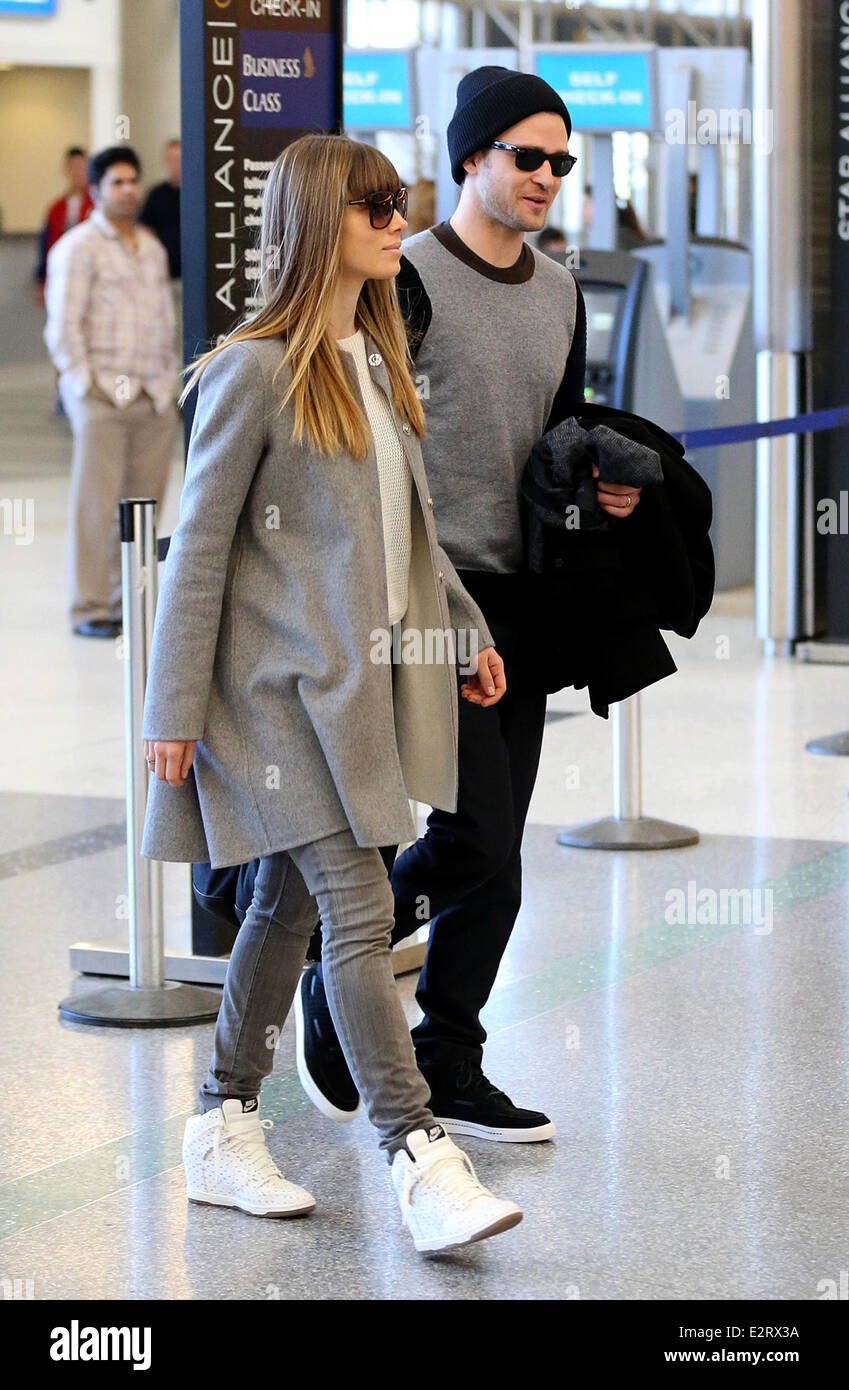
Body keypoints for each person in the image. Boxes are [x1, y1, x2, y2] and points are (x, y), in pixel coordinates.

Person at [140, 133, 523, 1256]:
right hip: (270, 699)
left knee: (286, 907)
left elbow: (408, 530)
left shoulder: (378, 354)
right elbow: (197, 549)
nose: (395, 218)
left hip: (349, 691)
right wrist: (169, 710)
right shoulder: (252, 369)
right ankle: (418, 1155)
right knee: (360, 909)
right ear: (319, 220)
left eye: (396, 200)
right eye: (372, 205)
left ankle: (220, 1120)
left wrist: (465, 625)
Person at [297, 66, 643, 1143]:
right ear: (471, 160)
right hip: (427, 592)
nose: (548, 177)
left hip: (523, 590)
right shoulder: (406, 279)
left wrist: (601, 476)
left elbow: (558, 427)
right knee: (477, 833)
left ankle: (448, 1051)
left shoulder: (561, 288)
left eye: (561, 161)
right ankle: (340, 963)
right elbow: (362, 442)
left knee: (502, 849)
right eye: (527, 156)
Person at [44, 145, 178, 638]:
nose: (128, 189)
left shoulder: (151, 245)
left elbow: (164, 319)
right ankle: (90, 607)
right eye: (117, 182)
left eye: (133, 180)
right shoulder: (78, 247)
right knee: (96, 505)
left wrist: (166, 384)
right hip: (101, 396)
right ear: (96, 190)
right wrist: (85, 385)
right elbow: (62, 328)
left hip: (151, 396)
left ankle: (131, 603)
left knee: (144, 508)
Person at [33, 146, 93, 307]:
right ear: (66, 170)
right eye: (73, 167)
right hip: (62, 274)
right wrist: (41, 279)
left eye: (82, 167)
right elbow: (45, 244)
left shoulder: (95, 205)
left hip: (88, 274)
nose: (78, 172)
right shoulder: (56, 208)